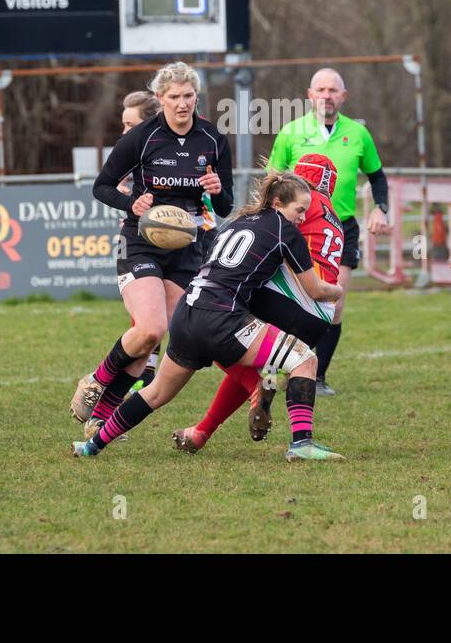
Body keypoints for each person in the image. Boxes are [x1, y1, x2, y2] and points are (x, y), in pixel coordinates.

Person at [72, 173, 345, 461]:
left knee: (156, 393)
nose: (302, 218)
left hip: (186, 315)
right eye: (299, 210)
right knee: (305, 360)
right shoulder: (285, 231)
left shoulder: (236, 223)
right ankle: (302, 444)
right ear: (278, 203)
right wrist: (336, 291)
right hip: (223, 319)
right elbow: (314, 290)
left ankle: (91, 446)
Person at [72, 62, 232, 428]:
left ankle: (100, 418)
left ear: (196, 97)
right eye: (174, 97)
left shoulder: (212, 140)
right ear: (160, 98)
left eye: (188, 96)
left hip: (185, 248)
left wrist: (218, 192)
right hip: (140, 243)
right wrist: (132, 203)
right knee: (149, 330)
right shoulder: (141, 136)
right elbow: (102, 186)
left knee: (161, 337)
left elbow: (224, 206)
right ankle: (97, 379)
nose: (182, 104)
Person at [172, 153, 344, 452]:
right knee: (242, 350)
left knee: (207, 321)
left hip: (291, 298)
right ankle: (202, 432)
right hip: (319, 318)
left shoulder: (300, 204)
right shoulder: (335, 217)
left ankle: (254, 387)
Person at [267, 68, 390, 395]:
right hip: (296, 227)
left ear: (343, 96)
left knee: (333, 303)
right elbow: (272, 181)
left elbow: (377, 176)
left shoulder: (358, 134)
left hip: (341, 227)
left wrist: (381, 207)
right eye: (320, 89)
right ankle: (272, 369)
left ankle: (317, 376)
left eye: (333, 90)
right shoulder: (291, 132)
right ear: (309, 94)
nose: (326, 95)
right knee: (282, 298)